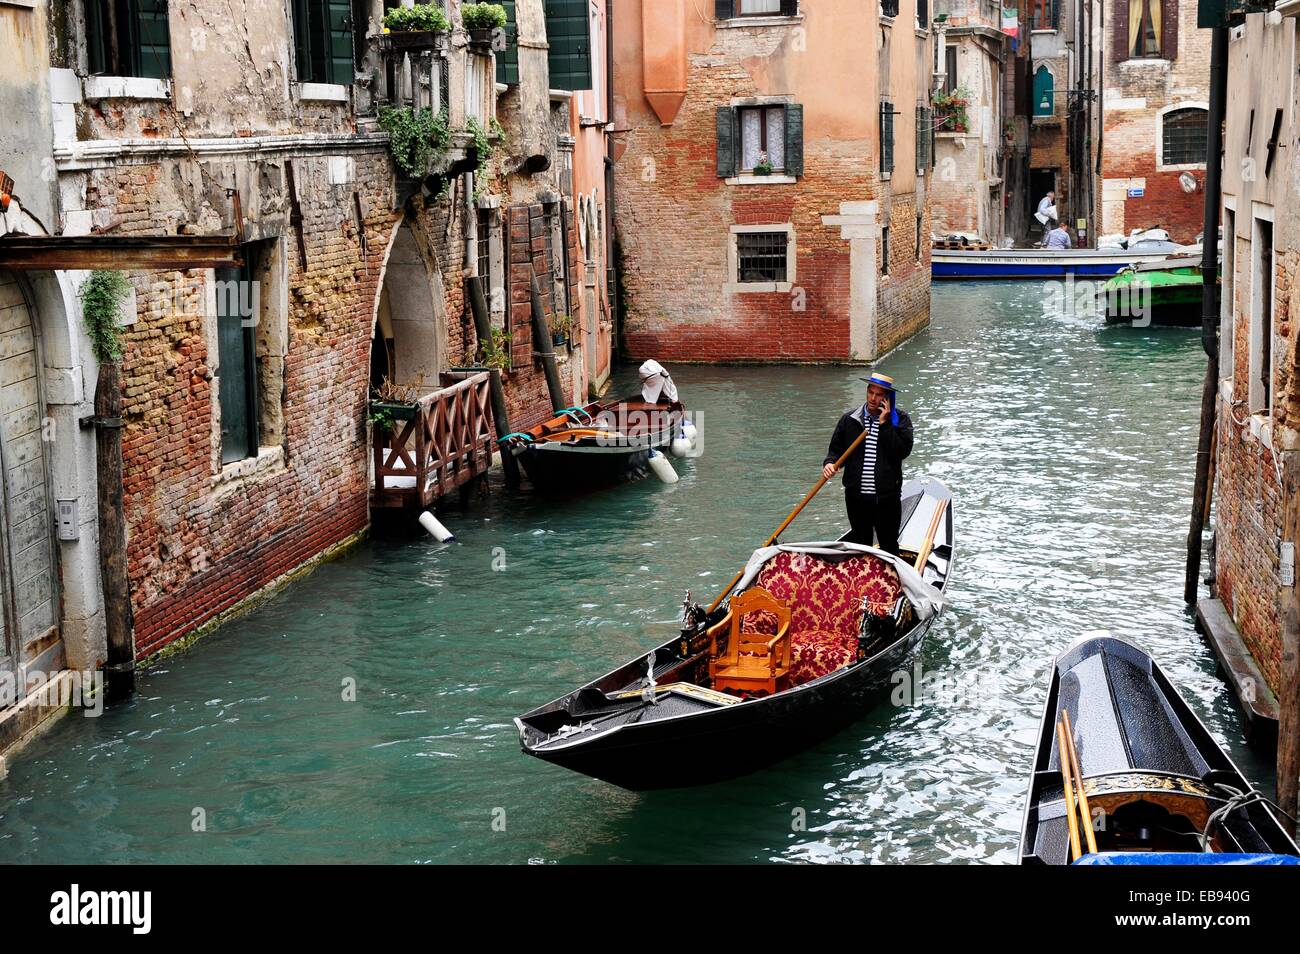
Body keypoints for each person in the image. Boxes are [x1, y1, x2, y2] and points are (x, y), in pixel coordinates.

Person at [822, 373, 914, 555]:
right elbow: (836, 450)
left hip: (887, 498)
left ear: (887, 398)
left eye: (879, 395)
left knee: (888, 545)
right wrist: (830, 463)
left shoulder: (900, 420)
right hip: (857, 498)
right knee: (861, 546)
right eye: (870, 392)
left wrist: (884, 425)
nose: (873, 398)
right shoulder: (850, 420)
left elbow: (901, 452)